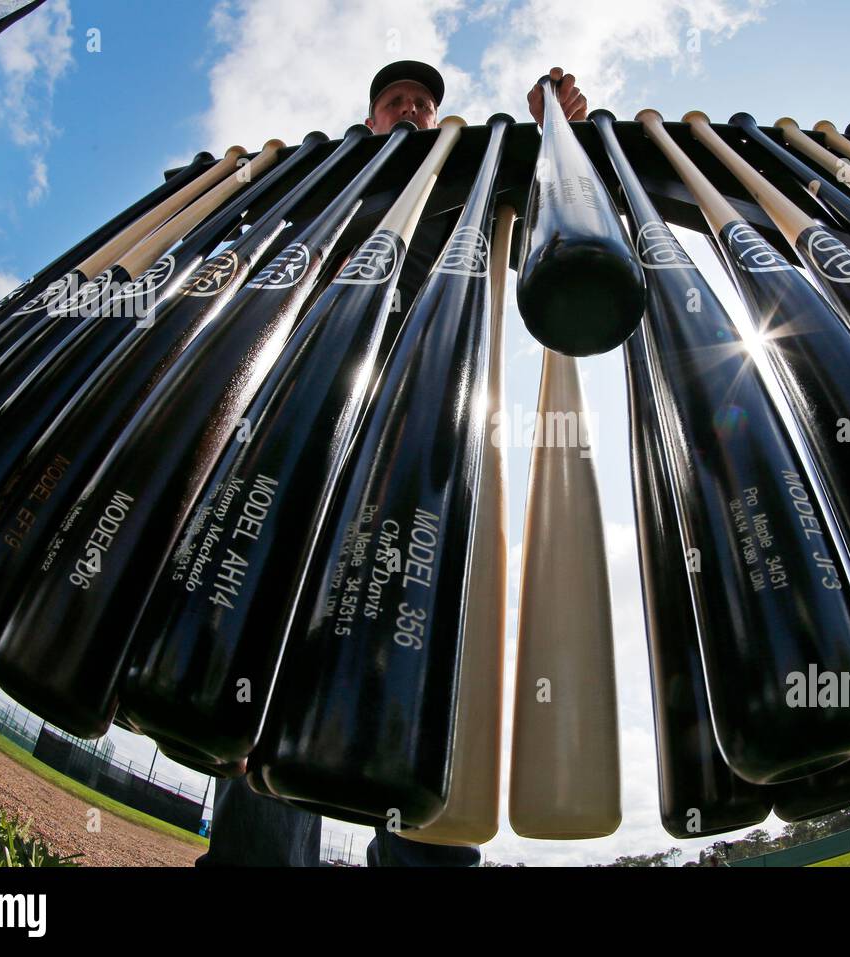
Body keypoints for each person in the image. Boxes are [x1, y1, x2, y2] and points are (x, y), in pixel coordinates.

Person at [198, 59, 585, 868]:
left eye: (422, 100)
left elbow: (553, 245)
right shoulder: (345, 177)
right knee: (275, 640)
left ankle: (421, 839)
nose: (409, 106)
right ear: (371, 119)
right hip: (322, 413)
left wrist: (558, 138)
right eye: (393, 100)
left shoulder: (472, 182)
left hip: (432, 422)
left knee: (423, 622)